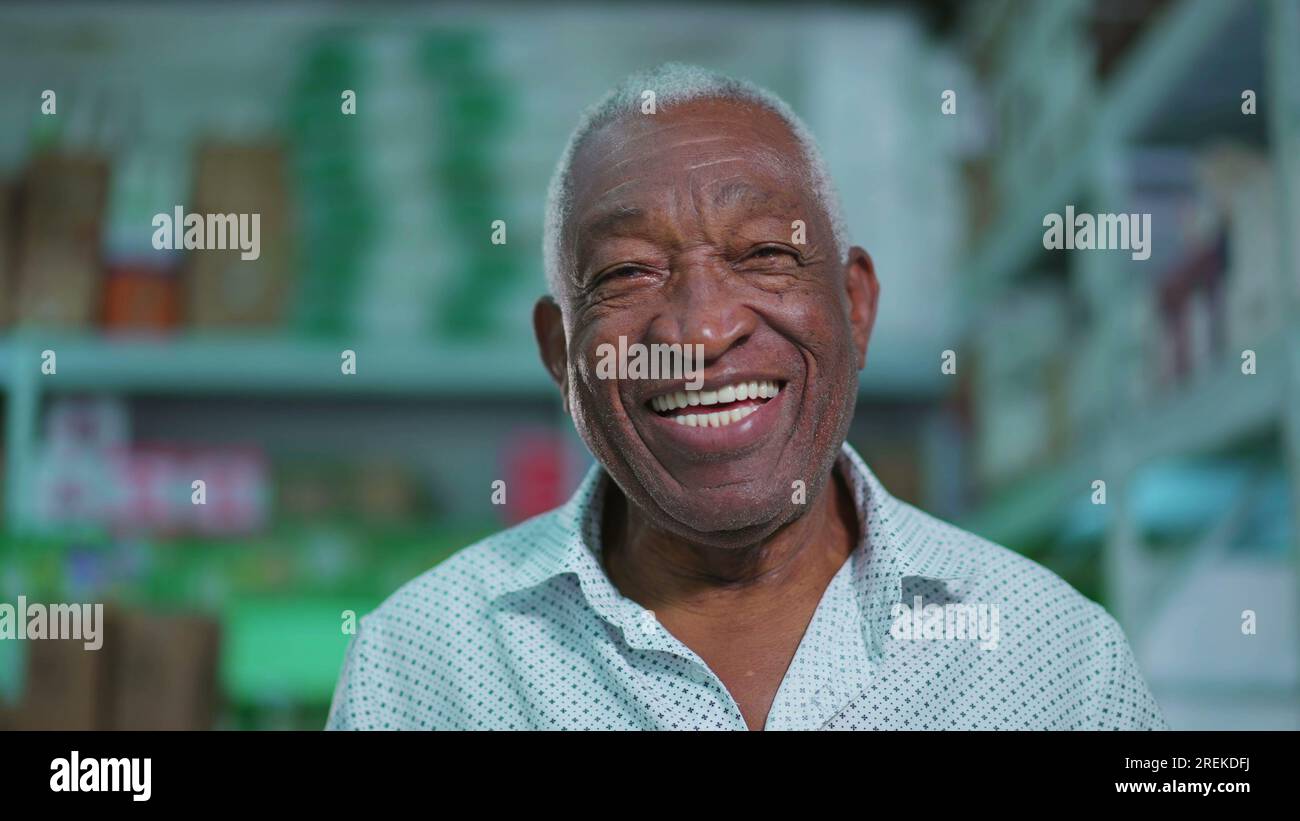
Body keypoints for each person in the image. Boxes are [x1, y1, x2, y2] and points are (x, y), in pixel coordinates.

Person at [327, 63, 1166, 730]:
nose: (702, 329)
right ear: (560, 349)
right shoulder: (422, 667)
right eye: (627, 271)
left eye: (764, 253)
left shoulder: (1060, 662)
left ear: (857, 306)